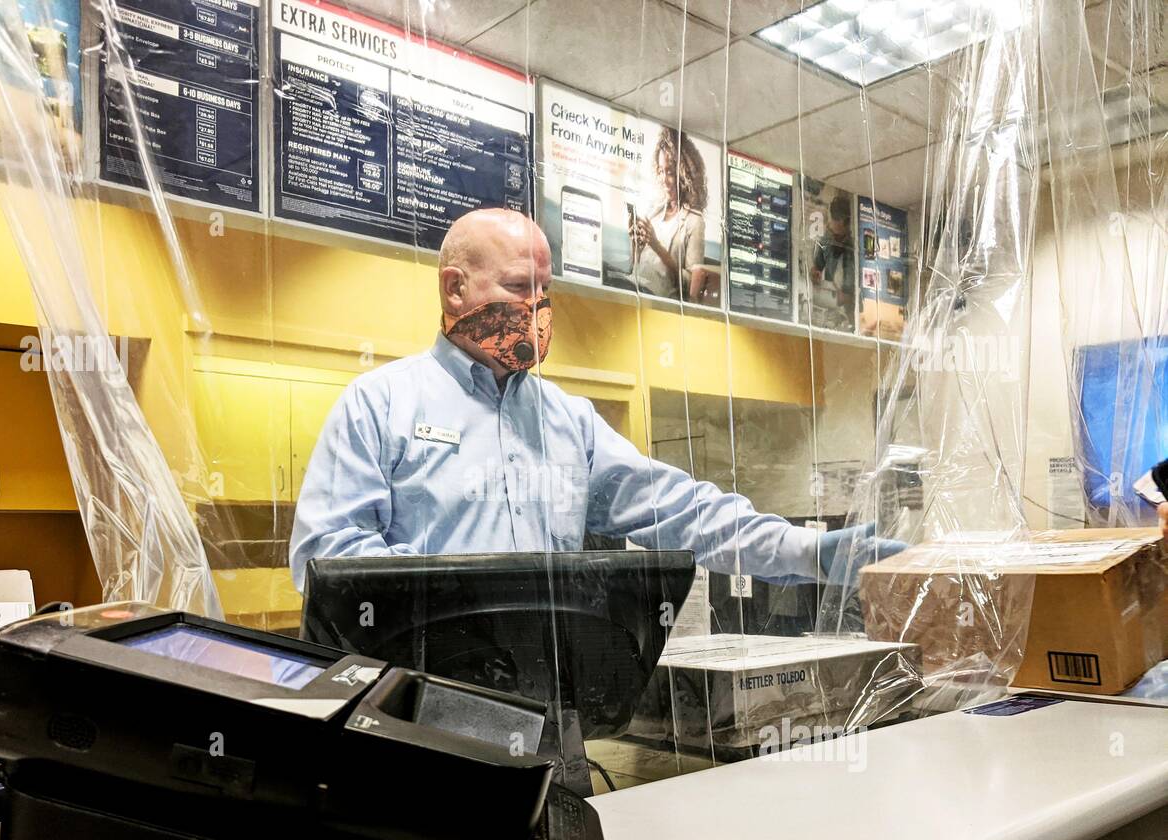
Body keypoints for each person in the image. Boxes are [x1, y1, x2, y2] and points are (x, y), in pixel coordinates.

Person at [289, 208, 901, 591]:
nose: (536, 311)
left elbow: (681, 510)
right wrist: (465, 604)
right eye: (518, 288)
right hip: (422, 726)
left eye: (545, 291)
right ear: (455, 289)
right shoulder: (379, 405)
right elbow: (326, 558)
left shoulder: (566, 422)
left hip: (556, 714)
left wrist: (809, 552)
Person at [631, 128, 708, 303]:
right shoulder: (654, 212)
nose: (664, 179)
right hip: (636, 289)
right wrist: (635, 245)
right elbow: (638, 266)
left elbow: (691, 288)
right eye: (660, 171)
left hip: (660, 301)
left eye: (670, 172)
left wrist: (656, 245)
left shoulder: (694, 222)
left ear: (684, 174)